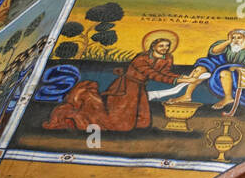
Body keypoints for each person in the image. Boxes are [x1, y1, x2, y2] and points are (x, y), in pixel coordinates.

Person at [43, 30, 195, 132]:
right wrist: (179, 79)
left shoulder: (167, 58)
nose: (164, 48)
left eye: (167, 46)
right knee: (120, 123)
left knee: (143, 122)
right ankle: (77, 116)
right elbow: (152, 74)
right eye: (161, 45)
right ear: (153, 46)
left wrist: (181, 78)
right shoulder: (141, 58)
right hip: (127, 87)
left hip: (140, 88)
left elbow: (165, 73)